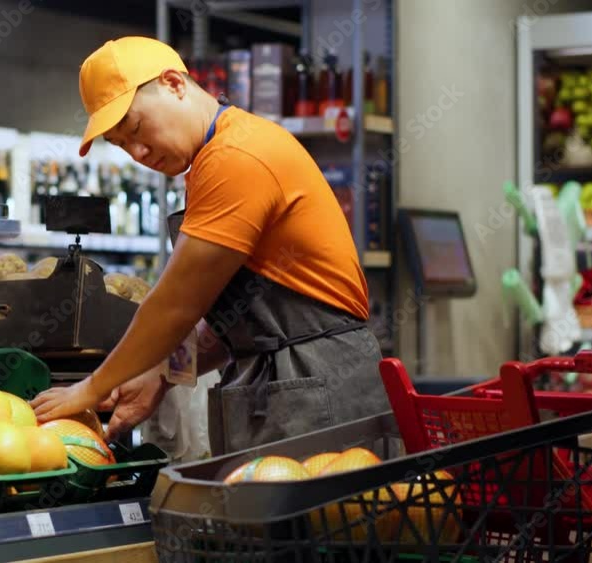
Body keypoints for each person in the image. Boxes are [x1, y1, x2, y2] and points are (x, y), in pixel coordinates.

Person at [31, 36, 390, 456]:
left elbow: (175, 305)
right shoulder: (210, 160)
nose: (138, 152)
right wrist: (161, 375)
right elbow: (240, 317)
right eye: (122, 145)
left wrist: (92, 388)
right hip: (292, 385)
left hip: (323, 389)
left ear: (174, 84)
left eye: (135, 129)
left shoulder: (235, 157)